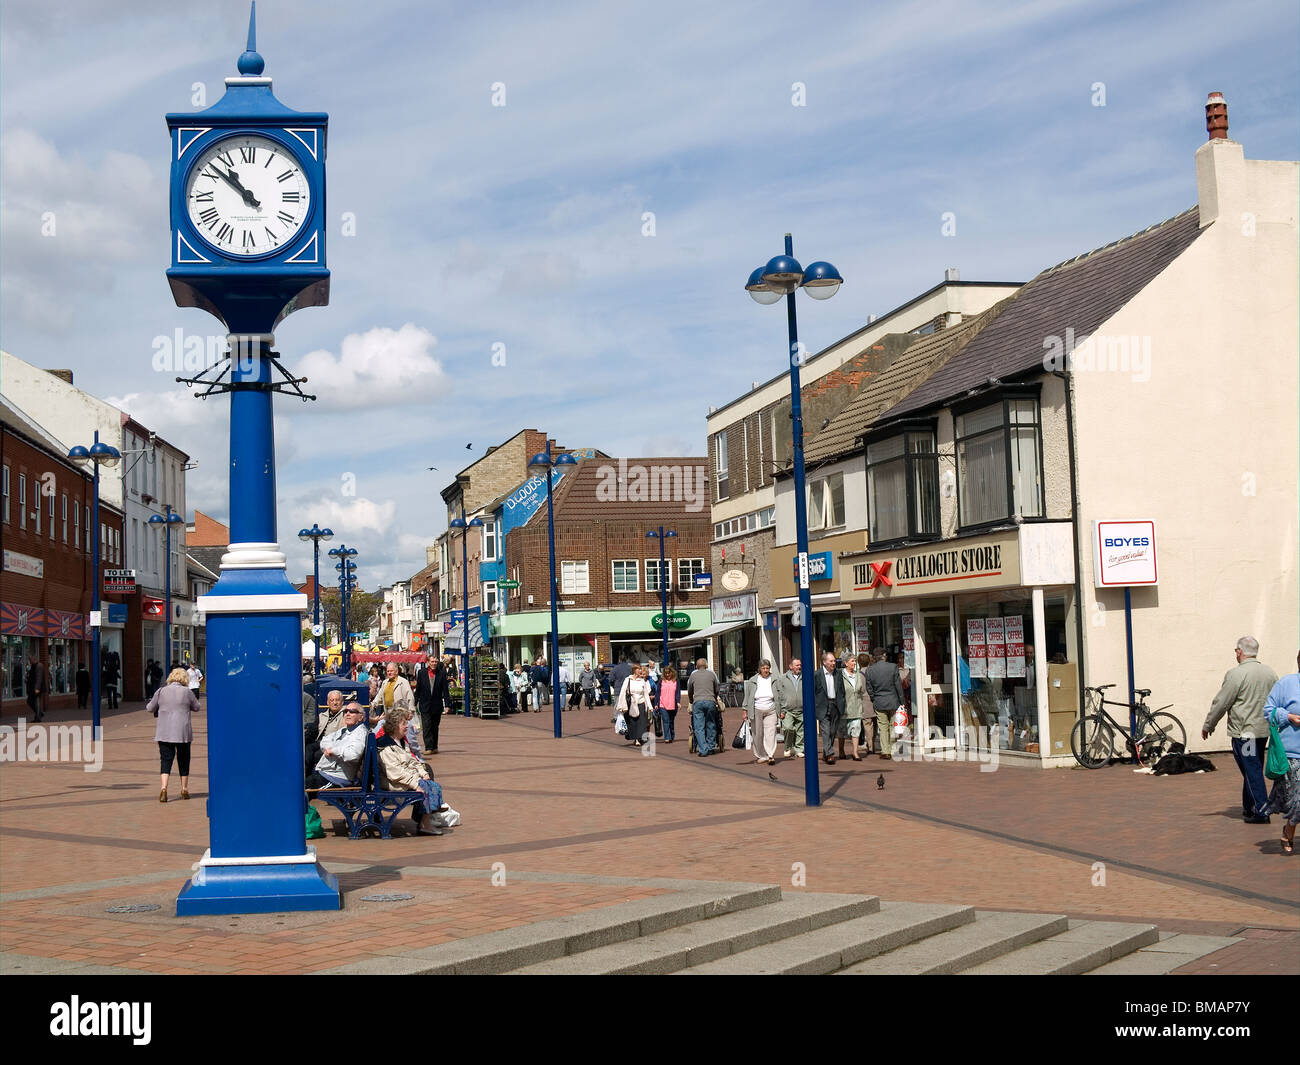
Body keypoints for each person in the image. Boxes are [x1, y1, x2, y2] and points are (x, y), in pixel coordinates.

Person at [1203, 636, 1280, 824]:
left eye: (1236, 651)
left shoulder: (1235, 674)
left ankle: (1261, 810)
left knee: (1251, 770)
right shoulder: (1269, 673)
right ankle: (1249, 807)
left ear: (1240, 651)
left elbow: (1222, 702)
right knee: (1252, 768)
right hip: (1262, 731)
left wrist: (1209, 724)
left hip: (1245, 734)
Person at [375, 707, 446, 836]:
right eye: (404, 723)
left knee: (431, 784)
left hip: (403, 779)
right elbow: (395, 773)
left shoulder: (400, 741)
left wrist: (423, 772)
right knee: (428, 787)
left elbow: (412, 761)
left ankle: (427, 818)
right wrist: (415, 784)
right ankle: (427, 820)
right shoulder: (385, 746)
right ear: (395, 725)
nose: (407, 726)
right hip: (392, 783)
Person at [1263, 652, 1300, 854]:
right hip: (1293, 753)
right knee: (1298, 799)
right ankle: (1289, 830)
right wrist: (1289, 717)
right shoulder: (1286, 684)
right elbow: (1268, 711)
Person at [148, 666, 200, 803]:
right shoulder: (187, 692)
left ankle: (164, 789)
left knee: (166, 760)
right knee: (184, 760)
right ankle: (184, 789)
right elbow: (197, 707)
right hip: (183, 733)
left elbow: (150, 708)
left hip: (164, 732)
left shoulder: (161, 691)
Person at [307, 702, 368, 787]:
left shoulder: (360, 733)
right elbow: (324, 740)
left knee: (301, 790)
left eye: (352, 711)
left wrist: (333, 750)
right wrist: (331, 749)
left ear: (360, 717)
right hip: (326, 773)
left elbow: (353, 754)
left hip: (336, 778)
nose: (347, 714)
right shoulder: (345, 729)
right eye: (346, 711)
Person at [865, 647, 903, 761]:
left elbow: (869, 688)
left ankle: (885, 751)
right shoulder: (893, 667)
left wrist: (874, 698)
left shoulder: (870, 670)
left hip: (879, 701)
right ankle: (892, 749)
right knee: (892, 726)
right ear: (884, 655)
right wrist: (902, 702)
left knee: (883, 726)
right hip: (893, 700)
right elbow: (898, 686)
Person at [743, 660, 779, 765]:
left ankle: (770, 754)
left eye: (767, 668)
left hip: (771, 709)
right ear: (759, 669)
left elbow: (780, 695)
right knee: (757, 734)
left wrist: (781, 710)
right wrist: (745, 710)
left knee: (771, 733)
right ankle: (761, 755)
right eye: (763, 668)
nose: (766, 670)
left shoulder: (775, 679)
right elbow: (748, 696)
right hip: (756, 709)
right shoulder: (752, 680)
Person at [813, 651, 845, 765]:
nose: (833, 663)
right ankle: (830, 754)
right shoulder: (817, 675)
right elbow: (813, 692)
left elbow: (842, 690)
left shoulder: (838, 674)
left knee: (832, 731)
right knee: (826, 731)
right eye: (831, 661)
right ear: (824, 662)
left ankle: (826, 752)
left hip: (835, 705)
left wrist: (842, 703)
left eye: (834, 661)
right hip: (823, 706)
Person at [687, 657, 720, 757]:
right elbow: (717, 687)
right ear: (706, 666)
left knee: (699, 727)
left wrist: (691, 700)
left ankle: (703, 749)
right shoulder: (712, 674)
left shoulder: (693, 675)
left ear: (696, 666)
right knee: (711, 724)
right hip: (710, 701)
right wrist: (714, 696)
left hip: (698, 701)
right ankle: (711, 747)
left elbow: (690, 690)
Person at [838, 653, 867, 762]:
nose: (854, 663)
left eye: (855, 661)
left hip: (856, 707)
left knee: (856, 729)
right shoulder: (840, 675)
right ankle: (841, 750)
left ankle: (855, 752)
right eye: (852, 661)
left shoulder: (858, 675)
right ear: (846, 663)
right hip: (844, 708)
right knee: (841, 731)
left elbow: (862, 689)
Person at [415, 652, 446, 752]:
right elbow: (418, 689)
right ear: (428, 662)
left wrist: (448, 704)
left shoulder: (441, 673)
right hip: (425, 705)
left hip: (437, 705)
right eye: (432, 661)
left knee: (434, 727)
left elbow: (445, 690)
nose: (434, 663)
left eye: (436, 662)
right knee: (426, 726)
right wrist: (414, 702)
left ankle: (434, 747)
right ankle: (428, 747)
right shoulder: (421, 673)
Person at [617, 663, 654, 746]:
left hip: (641, 703)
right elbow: (622, 692)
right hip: (631, 704)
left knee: (641, 722)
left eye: (640, 669)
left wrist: (650, 706)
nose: (640, 671)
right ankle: (635, 739)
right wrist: (620, 705)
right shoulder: (628, 680)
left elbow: (645, 694)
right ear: (634, 670)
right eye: (638, 669)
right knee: (633, 722)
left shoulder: (642, 681)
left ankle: (639, 738)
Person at [775, 659, 804, 758]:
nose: (799, 667)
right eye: (796, 665)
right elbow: (779, 694)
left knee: (801, 731)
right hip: (788, 710)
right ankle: (787, 747)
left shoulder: (804, 677)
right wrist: (781, 710)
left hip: (801, 709)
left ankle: (799, 749)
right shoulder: (782, 678)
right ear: (790, 666)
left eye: (800, 665)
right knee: (788, 728)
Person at [657, 665, 679, 743]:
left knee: (671, 721)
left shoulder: (675, 681)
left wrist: (678, 701)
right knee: (665, 721)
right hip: (662, 703)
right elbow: (658, 692)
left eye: (668, 673)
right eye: (666, 674)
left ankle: (672, 735)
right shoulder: (661, 681)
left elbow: (677, 692)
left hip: (672, 704)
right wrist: (656, 703)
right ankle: (667, 737)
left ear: (671, 673)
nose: (667, 675)